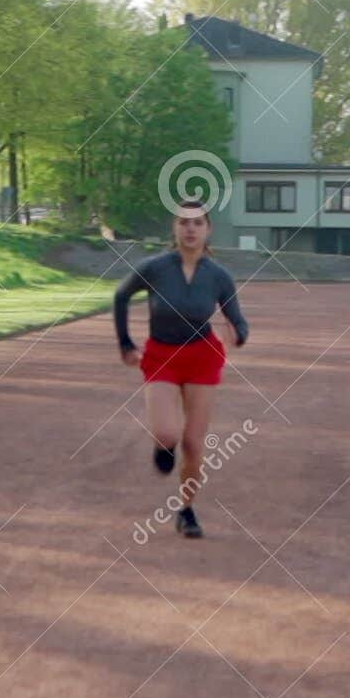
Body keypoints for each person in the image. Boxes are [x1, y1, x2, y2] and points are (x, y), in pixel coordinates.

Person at [113, 200, 248, 538]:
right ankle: (163, 446)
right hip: (162, 356)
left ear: (208, 230)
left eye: (198, 223)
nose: (190, 229)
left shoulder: (218, 275)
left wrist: (239, 334)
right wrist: (126, 343)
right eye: (184, 223)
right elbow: (120, 296)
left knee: (193, 444)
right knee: (167, 434)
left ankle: (186, 510)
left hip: (202, 357)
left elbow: (237, 318)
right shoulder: (155, 267)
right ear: (174, 229)